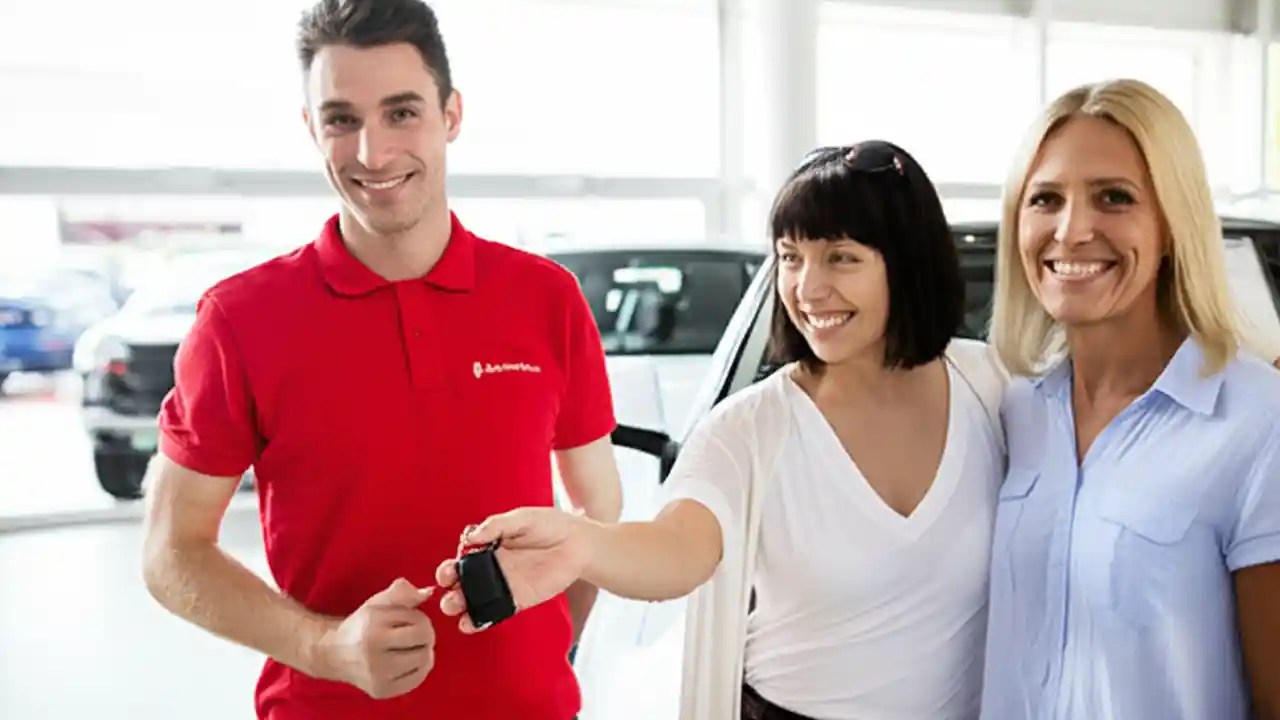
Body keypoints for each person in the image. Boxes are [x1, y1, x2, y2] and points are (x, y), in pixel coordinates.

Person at [139, 1, 622, 718]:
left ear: (451, 114)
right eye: (342, 119)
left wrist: (540, 653)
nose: (373, 153)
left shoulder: (545, 298)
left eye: (402, 113)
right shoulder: (239, 320)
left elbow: (597, 512)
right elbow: (171, 551)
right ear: (313, 128)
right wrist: (325, 648)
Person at [437, 140, 1010, 719]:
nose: (807, 288)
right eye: (790, 257)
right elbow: (679, 547)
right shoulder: (751, 428)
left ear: (908, 262)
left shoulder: (990, 387)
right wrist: (581, 543)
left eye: (841, 258)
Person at [980, 78, 1280, 719]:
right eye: (1045, 199)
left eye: (1114, 198)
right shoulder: (1010, 409)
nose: (1072, 231)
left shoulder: (1260, 423)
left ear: (1173, 225)